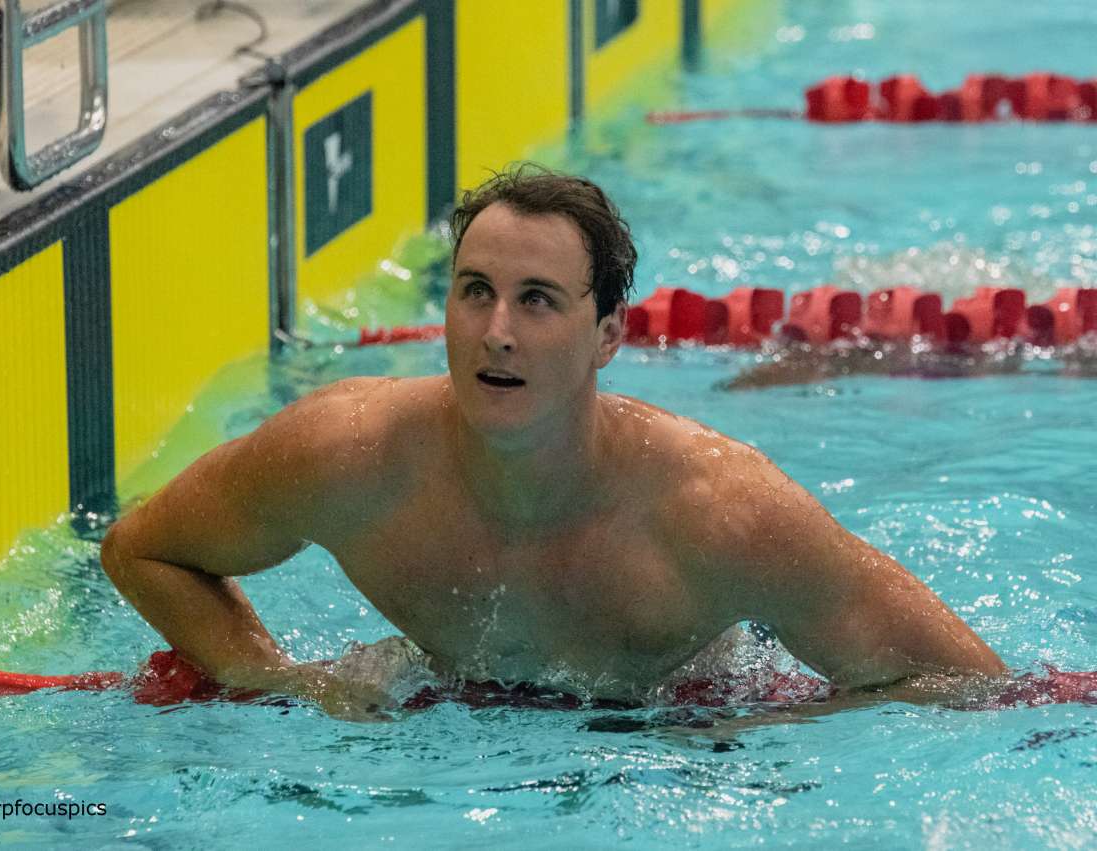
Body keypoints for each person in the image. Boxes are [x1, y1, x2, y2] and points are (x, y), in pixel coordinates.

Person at [100, 163, 1008, 720]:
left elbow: (972, 687)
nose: (497, 330)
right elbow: (142, 549)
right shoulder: (346, 452)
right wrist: (273, 677)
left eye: (537, 299)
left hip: (680, 754)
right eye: (473, 291)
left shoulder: (718, 509)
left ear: (608, 333)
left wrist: (783, 727)